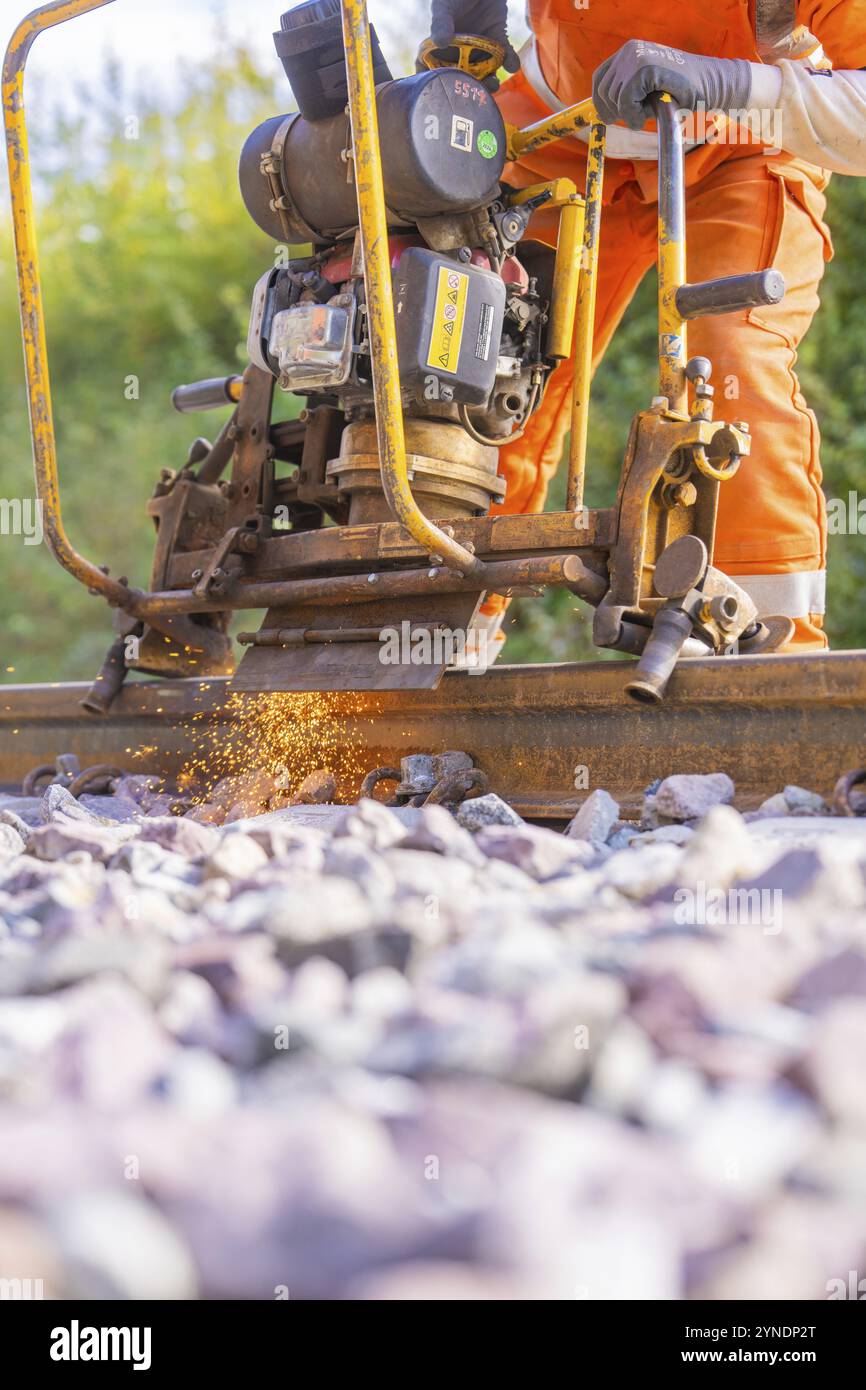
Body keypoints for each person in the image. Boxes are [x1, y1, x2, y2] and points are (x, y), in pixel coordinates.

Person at [430, 0, 866, 653]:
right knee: (487, 380)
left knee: (731, 358)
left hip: (740, 139)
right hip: (563, 132)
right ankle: (439, 639)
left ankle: (773, 654)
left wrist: (725, 83)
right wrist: (466, 33)